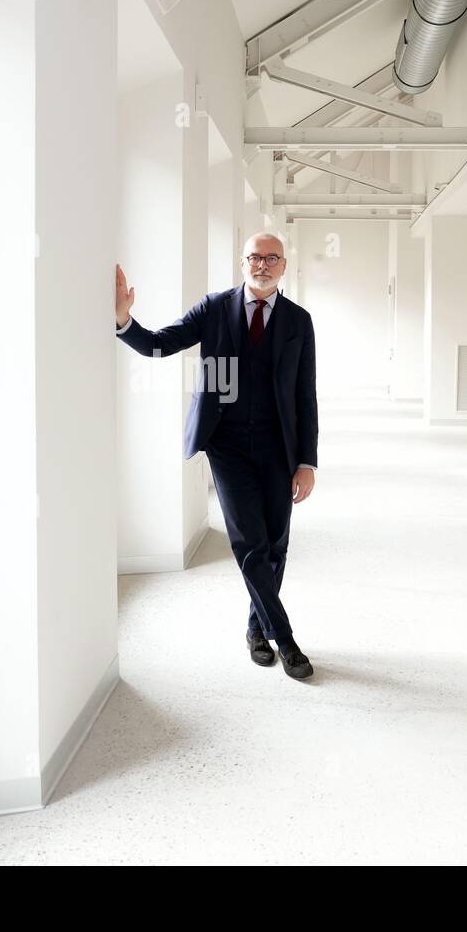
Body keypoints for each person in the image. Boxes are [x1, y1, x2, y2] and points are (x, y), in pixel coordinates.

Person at [114, 231, 319, 679]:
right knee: (249, 543)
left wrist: (307, 461)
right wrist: (125, 322)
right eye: (254, 257)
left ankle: (254, 629)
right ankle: (284, 639)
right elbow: (159, 344)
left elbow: (306, 395)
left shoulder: (299, 322)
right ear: (242, 263)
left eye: (271, 258)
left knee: (276, 546)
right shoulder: (213, 308)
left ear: (283, 266)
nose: (261, 265)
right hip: (226, 445)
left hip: (279, 447)